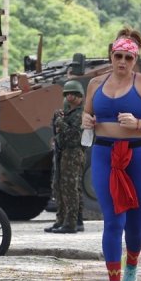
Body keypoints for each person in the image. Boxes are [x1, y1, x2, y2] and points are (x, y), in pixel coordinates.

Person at [82, 28, 141, 281]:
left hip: (138, 155)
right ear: (111, 55)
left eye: (128, 58)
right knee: (113, 219)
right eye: (118, 56)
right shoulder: (95, 84)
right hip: (104, 154)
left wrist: (140, 124)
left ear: (135, 60)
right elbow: (88, 111)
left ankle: (131, 265)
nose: (122, 62)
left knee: (134, 222)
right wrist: (86, 120)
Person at [45, 80, 86, 234]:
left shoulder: (80, 115)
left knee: (70, 188)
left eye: (73, 94)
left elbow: (74, 136)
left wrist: (61, 123)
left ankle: (71, 223)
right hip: (63, 151)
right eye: (67, 94)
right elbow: (58, 134)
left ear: (79, 96)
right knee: (59, 186)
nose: (69, 97)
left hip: (73, 152)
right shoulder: (68, 113)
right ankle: (61, 220)